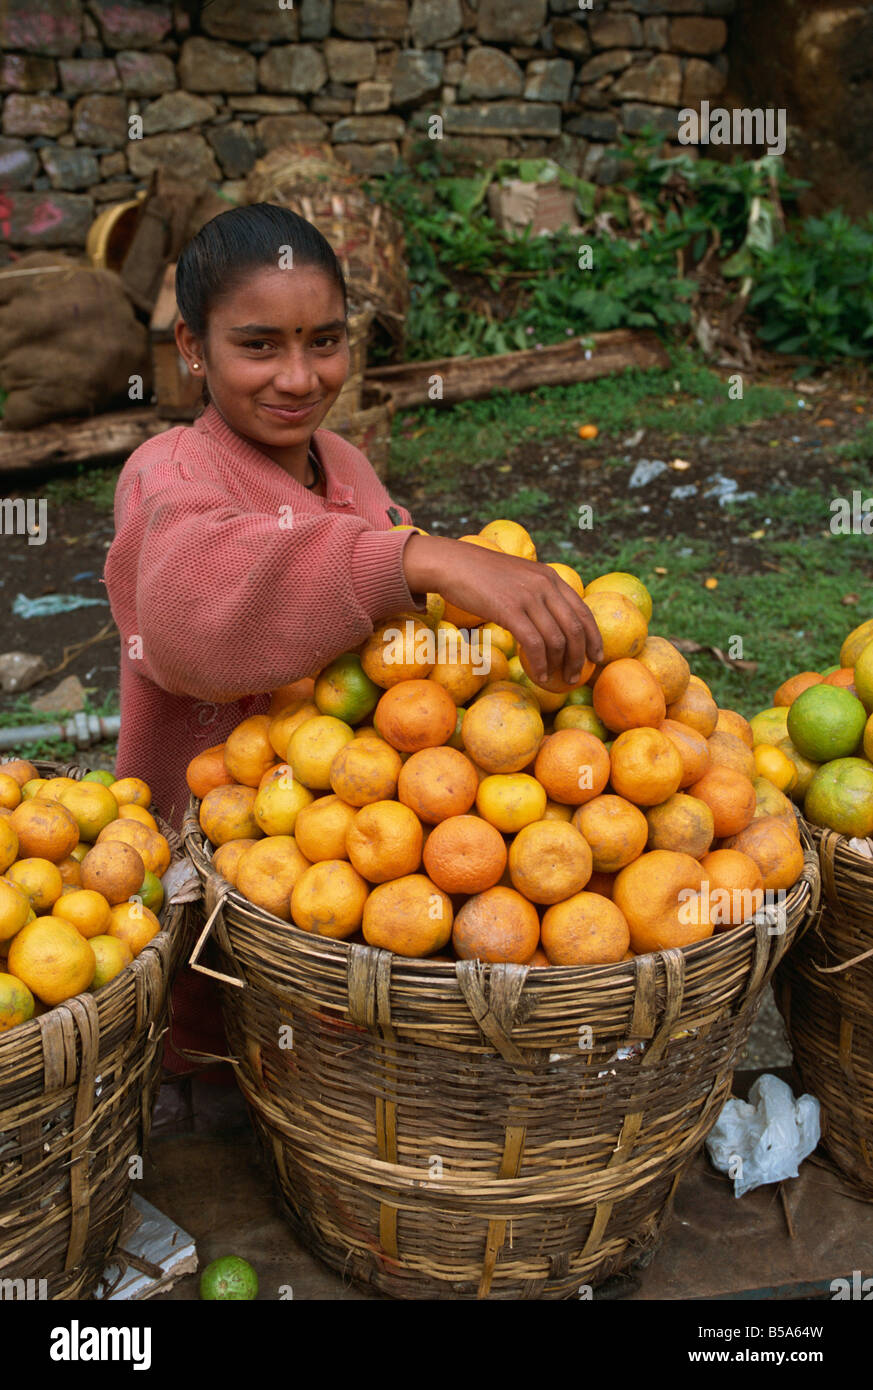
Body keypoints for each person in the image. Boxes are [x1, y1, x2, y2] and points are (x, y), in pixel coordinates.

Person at [103, 202, 602, 1071]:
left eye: (324, 342)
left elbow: (388, 621)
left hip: (354, 928)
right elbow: (191, 613)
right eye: (258, 345)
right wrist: (415, 559)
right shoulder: (172, 473)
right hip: (214, 939)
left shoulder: (347, 464)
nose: (298, 377)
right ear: (191, 347)